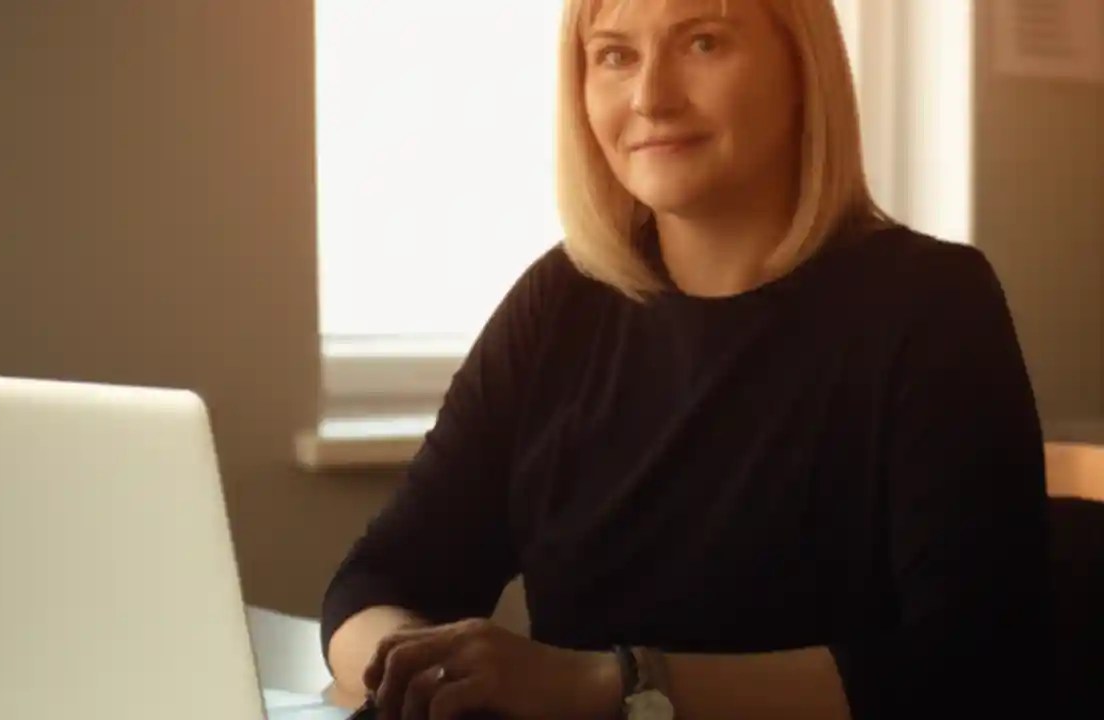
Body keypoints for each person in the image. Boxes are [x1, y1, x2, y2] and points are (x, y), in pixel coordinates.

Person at [321, 0, 1051, 718]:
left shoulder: (934, 304)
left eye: (703, 42)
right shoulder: (559, 301)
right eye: (616, 55)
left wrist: (605, 685)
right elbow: (377, 582)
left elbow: (972, 670)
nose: (651, 98)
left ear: (803, 67)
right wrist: (423, 675)